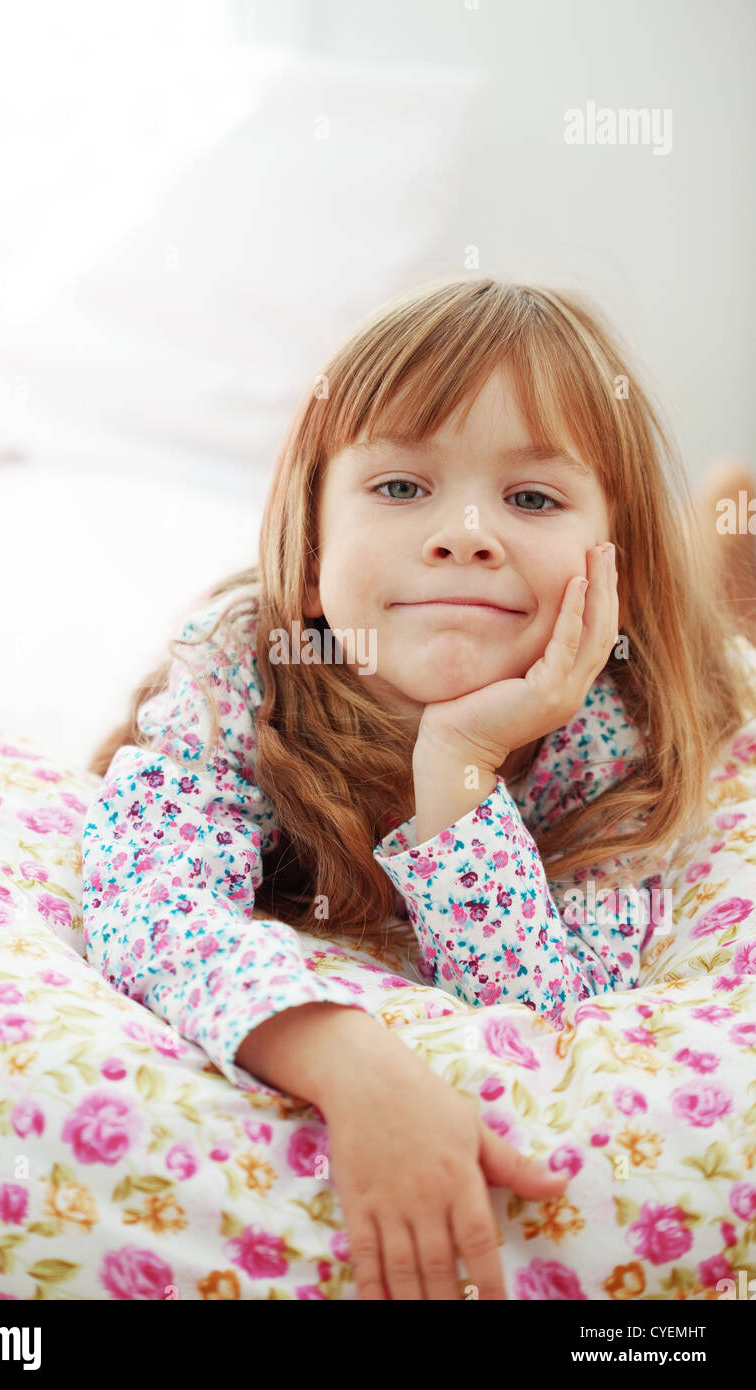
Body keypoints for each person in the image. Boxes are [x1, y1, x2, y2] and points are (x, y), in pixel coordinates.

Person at [82, 275, 756, 1302]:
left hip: (685, 648)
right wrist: (345, 1057)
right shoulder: (248, 669)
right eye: (401, 488)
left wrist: (461, 766)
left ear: (611, 561)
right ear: (309, 556)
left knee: (727, 648)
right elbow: (149, 897)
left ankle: (721, 545)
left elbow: (541, 1017)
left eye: (531, 498)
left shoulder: (613, 730)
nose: (466, 534)